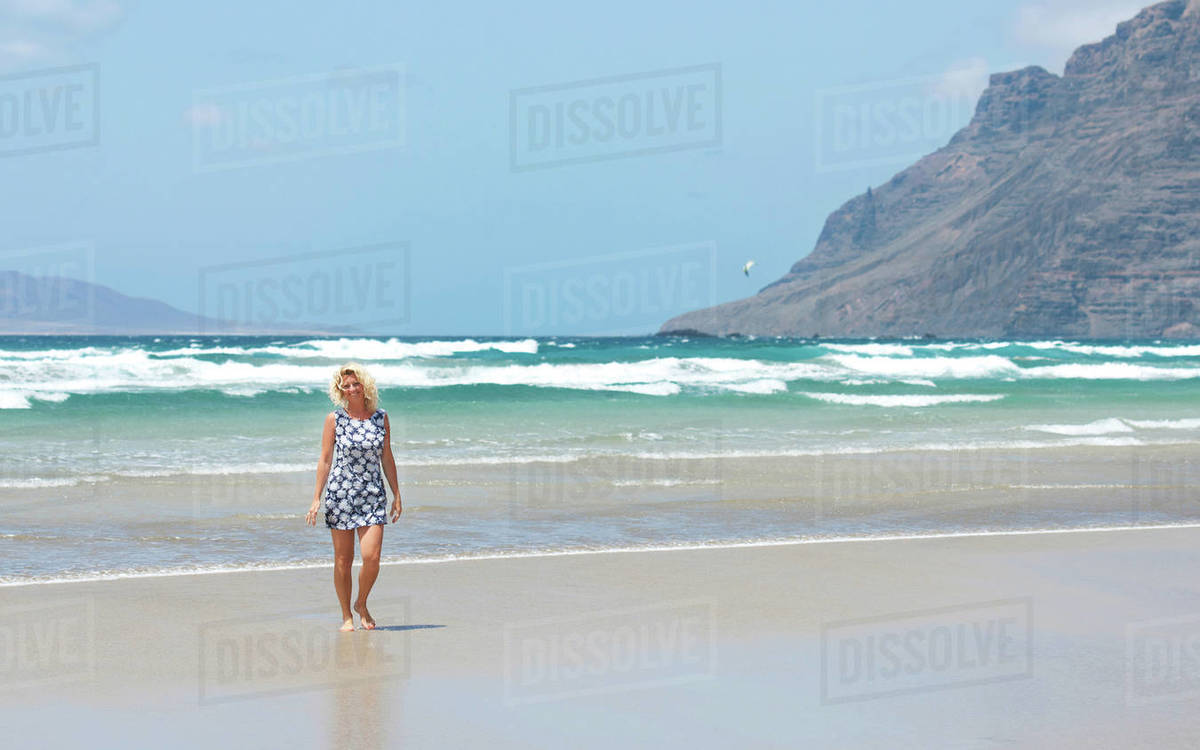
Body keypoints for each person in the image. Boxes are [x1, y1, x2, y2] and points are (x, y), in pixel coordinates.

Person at [306, 362, 402, 631]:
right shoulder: (334, 420)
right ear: (341, 390)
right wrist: (316, 498)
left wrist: (396, 493)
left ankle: (362, 602)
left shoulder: (380, 417)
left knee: (372, 557)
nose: (351, 389)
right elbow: (325, 460)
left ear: (365, 385)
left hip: (372, 494)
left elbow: (386, 456)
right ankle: (346, 615)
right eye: (345, 386)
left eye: (355, 383)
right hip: (341, 495)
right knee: (343, 560)